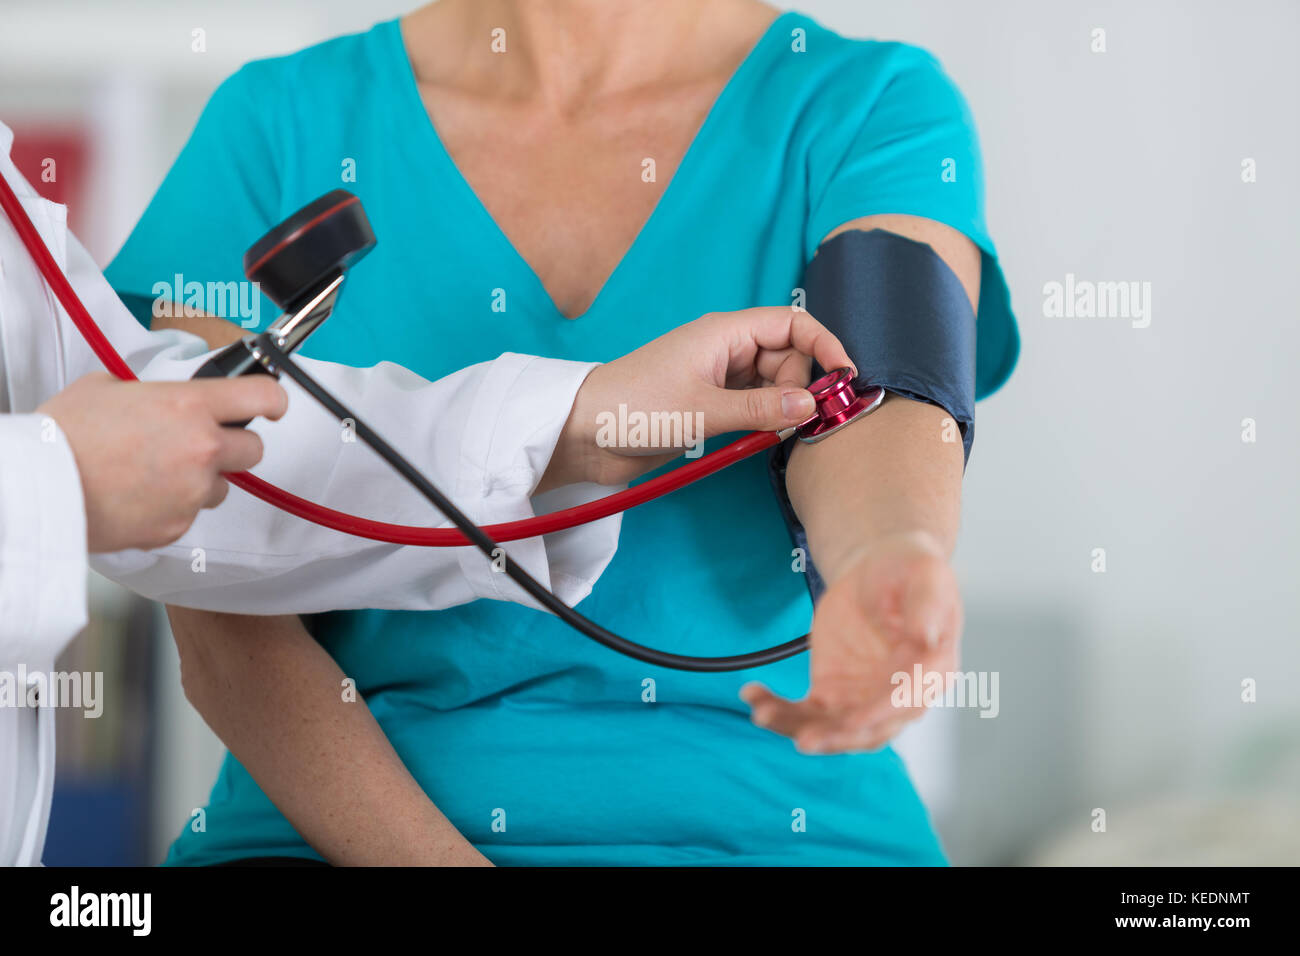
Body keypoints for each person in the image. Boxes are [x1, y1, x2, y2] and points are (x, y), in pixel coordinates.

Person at [106, 0, 1019, 865]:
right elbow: (209, 587)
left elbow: (881, 403)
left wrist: (888, 554)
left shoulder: (869, 104)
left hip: (780, 828)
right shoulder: (280, 123)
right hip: (339, 837)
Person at [0, 120, 850, 865]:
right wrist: (51, 480)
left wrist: (580, 420)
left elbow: (146, 423)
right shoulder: (283, 112)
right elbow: (100, 459)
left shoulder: (852, 101)